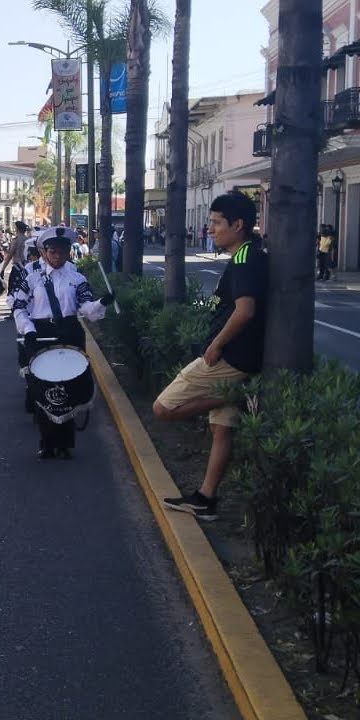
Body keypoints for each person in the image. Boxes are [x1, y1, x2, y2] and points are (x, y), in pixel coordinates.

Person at [155, 191, 267, 521]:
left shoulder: (245, 258)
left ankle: (235, 394)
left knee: (163, 408)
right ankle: (206, 498)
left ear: (238, 225)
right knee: (222, 430)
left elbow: (245, 311)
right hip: (240, 357)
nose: (211, 229)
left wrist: (216, 344)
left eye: (217, 223)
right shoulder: (248, 255)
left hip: (229, 358)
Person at [10, 227, 113, 459]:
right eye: (53, 252)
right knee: (43, 388)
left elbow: (87, 308)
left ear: (69, 252)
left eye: (63, 252)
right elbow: (19, 307)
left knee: (67, 389)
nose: (58, 256)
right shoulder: (32, 278)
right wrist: (28, 330)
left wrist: (102, 303)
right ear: (44, 252)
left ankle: (65, 444)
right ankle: (46, 443)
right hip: (40, 333)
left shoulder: (77, 279)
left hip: (69, 333)